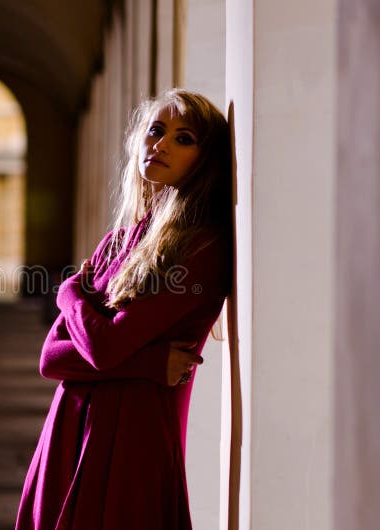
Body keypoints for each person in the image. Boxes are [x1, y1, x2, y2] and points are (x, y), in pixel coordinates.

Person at [14, 89, 233, 530]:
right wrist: (152, 362)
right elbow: (50, 357)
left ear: (205, 160)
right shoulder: (117, 243)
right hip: (70, 428)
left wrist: (70, 292)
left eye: (184, 137)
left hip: (133, 435)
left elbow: (104, 346)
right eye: (156, 130)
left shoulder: (202, 247)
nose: (162, 144)